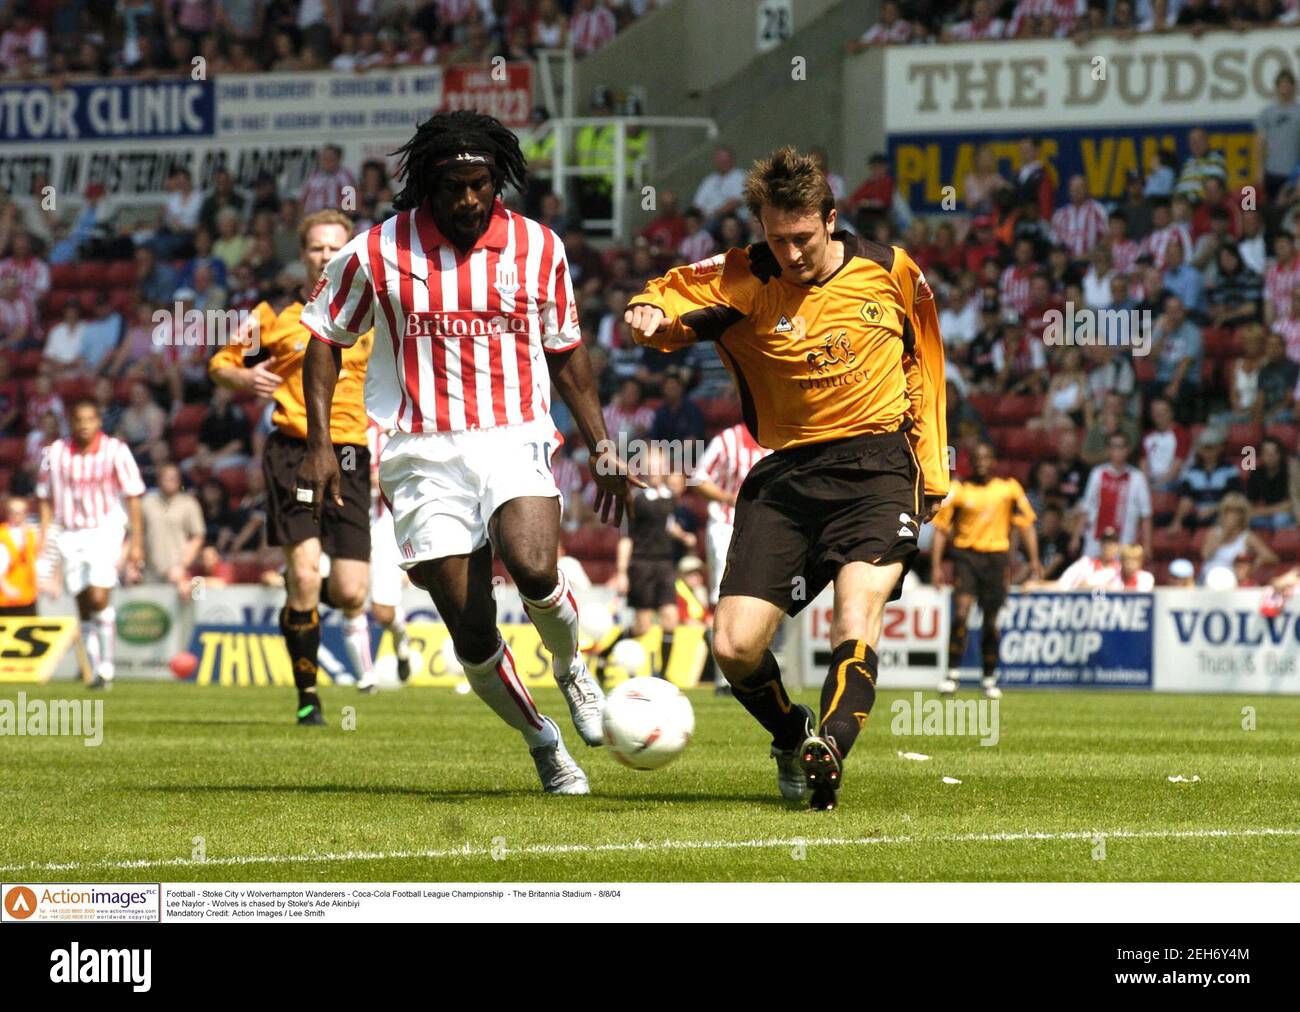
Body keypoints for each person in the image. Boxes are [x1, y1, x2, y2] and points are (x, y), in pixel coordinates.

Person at [296, 111, 641, 795]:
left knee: (534, 565)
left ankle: (572, 669)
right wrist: (319, 445)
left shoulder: (540, 248)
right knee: (472, 629)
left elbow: (566, 353)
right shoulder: (375, 251)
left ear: (497, 180)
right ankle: (542, 741)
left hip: (513, 432)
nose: (467, 199)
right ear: (429, 181)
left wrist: (604, 446)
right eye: (452, 185)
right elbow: (325, 339)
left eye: (479, 183)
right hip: (418, 451)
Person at [625, 146, 948, 810]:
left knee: (855, 614)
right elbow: (672, 293)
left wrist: (933, 470)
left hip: (879, 470)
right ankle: (791, 733)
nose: (792, 252)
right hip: (787, 479)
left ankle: (827, 751)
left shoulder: (891, 272)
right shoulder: (748, 275)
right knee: (735, 646)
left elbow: (927, 363)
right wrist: (648, 314)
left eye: (802, 237)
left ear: (831, 219)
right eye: (777, 238)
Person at [210, 209, 378, 724]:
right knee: (306, 574)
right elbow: (220, 363)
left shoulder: (373, 311)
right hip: (294, 451)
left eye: (335, 247)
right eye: (316, 248)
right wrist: (242, 379)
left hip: (350, 453)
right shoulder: (273, 316)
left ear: (349, 252)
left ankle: (300, 596)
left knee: (351, 590)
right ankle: (308, 697)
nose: (326, 255)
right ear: (302, 255)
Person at [37, 400, 145, 688]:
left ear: (99, 422)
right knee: (83, 602)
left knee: (99, 596)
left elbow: (133, 495)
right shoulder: (53, 453)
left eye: (89, 419)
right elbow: (44, 496)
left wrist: (136, 542)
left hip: (105, 529)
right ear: (70, 423)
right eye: (78, 419)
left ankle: (108, 667)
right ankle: (96, 671)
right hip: (70, 533)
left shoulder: (116, 451)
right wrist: (45, 536)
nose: (84, 424)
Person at [931, 443, 1040, 699]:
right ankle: (952, 675)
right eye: (976, 458)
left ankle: (989, 678)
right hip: (967, 557)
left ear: (993, 461)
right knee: (961, 613)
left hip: (996, 559)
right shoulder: (958, 489)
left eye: (985, 457)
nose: (981, 462)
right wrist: (936, 566)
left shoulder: (1008, 489)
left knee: (991, 620)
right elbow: (941, 529)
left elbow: (1026, 525)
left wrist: (1034, 560)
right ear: (971, 461)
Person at [1073, 431, 1152, 560]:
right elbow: (1087, 507)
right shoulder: (1097, 473)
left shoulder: (1138, 478)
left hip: (1124, 542)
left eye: (1121, 447)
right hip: (1095, 541)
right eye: (1114, 446)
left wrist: (1147, 545)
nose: (1117, 451)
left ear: (1127, 450)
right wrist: (1076, 537)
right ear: (1108, 450)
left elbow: (1146, 515)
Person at [140, 462, 205, 588]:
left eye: (175, 477)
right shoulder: (147, 502)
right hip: (150, 573)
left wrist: (182, 566)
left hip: (181, 575)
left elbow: (198, 537)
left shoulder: (189, 504)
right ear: (159, 480)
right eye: (167, 477)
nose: (171, 480)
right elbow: (136, 535)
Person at [0, 496, 38, 616]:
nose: (17, 516)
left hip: (27, 597)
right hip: (6, 600)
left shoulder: (31, 533)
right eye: (13, 512)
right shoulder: (3, 535)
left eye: (20, 512)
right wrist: (5, 587)